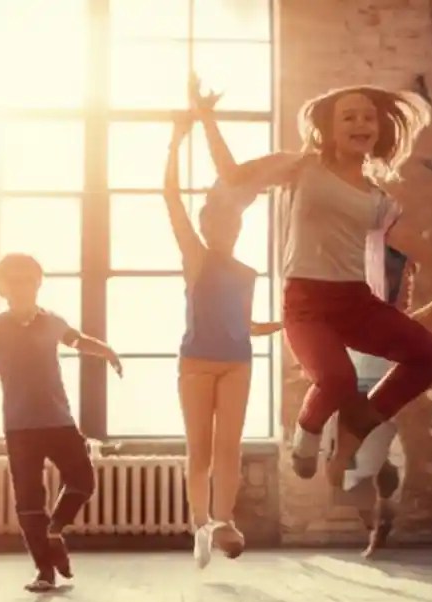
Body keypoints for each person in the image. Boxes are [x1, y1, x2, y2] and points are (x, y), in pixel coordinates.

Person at [194, 84, 432, 489]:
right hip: (306, 303)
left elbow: (412, 243)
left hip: (356, 301)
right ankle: (306, 437)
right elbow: (234, 174)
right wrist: (206, 119)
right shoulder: (301, 167)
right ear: (328, 129)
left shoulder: (379, 199)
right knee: (337, 379)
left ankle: (359, 425)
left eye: (368, 117)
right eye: (348, 116)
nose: (360, 123)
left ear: (379, 129)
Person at [0, 253, 122, 593]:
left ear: (38, 283)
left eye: (28, 280)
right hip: (20, 427)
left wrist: (108, 352)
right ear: (3, 288)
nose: (22, 288)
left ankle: (55, 530)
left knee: (83, 480)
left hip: (58, 421)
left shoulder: (51, 321)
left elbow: (78, 340)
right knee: (28, 502)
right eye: (14, 282)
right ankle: (45, 572)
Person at [166, 82, 283, 569]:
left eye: (233, 224)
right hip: (196, 363)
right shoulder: (196, 255)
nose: (226, 229)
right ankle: (199, 523)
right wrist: (177, 140)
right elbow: (170, 196)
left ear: (238, 228)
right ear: (206, 225)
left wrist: (271, 326)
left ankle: (224, 519)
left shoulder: (247, 272)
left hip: (237, 363)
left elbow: (240, 323)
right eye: (217, 222)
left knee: (229, 446)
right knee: (201, 451)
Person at [328, 247, 432, 558]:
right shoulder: (351, 319)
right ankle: (375, 520)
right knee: (351, 472)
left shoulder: (402, 323)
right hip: (353, 398)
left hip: (384, 400)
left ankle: (378, 528)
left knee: (371, 470)